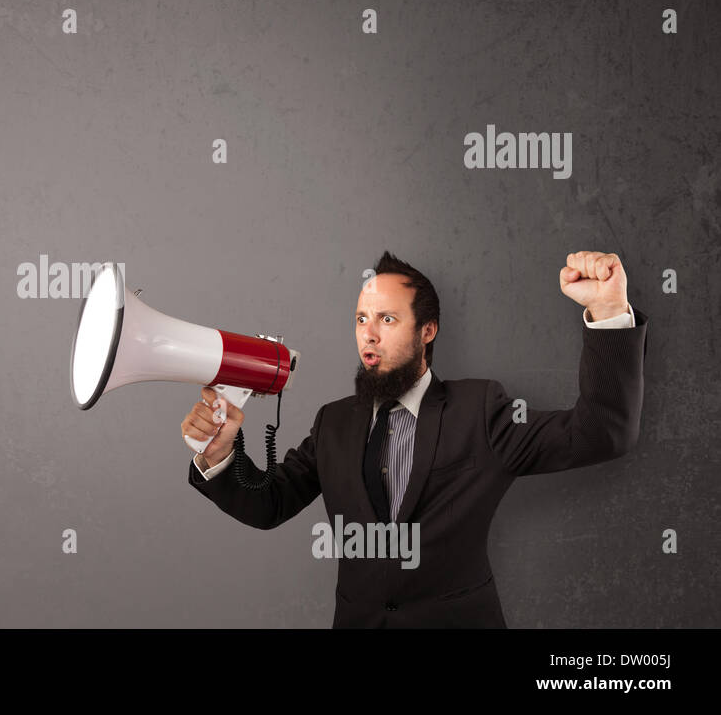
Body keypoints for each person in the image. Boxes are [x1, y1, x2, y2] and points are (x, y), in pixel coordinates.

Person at [183, 250, 647, 627]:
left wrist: (607, 313)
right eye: (361, 318)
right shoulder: (333, 423)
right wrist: (221, 454)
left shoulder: (479, 412)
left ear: (427, 331)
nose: (368, 333)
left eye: (387, 319)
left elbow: (600, 433)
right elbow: (269, 505)